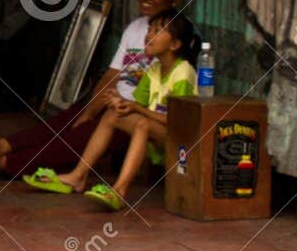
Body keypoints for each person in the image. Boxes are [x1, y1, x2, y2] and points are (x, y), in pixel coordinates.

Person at [0, 0, 192, 181]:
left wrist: (107, 111)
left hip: (138, 114)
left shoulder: (178, 38)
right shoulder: (136, 27)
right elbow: (112, 75)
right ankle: (1, 146)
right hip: (115, 103)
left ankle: (4, 163)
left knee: (76, 139)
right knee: (64, 121)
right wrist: (91, 109)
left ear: (175, 0)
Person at [22, 11, 197, 210]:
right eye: (150, 29)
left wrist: (135, 107)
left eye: (157, 31)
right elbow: (136, 105)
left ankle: (119, 191)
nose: (149, 34)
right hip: (158, 131)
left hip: (181, 141)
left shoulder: (183, 73)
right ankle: (77, 176)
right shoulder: (154, 69)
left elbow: (176, 120)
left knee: (142, 124)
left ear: (175, 45)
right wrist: (119, 103)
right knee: (112, 115)